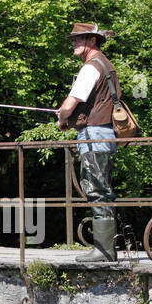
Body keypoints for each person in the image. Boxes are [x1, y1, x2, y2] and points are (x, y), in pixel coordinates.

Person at [56, 22, 119, 262]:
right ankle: (106, 249)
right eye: (73, 38)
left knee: (96, 188)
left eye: (79, 39)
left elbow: (71, 104)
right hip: (102, 134)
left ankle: (104, 251)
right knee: (102, 188)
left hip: (93, 136)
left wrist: (62, 116)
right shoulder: (104, 64)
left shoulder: (91, 67)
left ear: (92, 41)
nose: (73, 42)